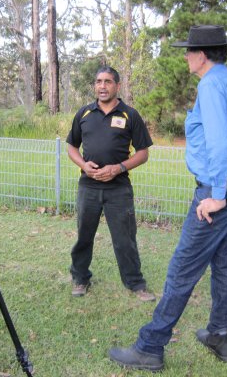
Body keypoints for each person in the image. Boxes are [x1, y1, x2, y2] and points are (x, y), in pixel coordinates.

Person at [109, 25, 227, 371]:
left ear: (202, 55)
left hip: (220, 194)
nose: (186, 56)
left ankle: (150, 347)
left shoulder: (212, 84)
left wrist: (217, 195)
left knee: (182, 269)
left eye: (188, 51)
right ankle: (219, 334)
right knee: (224, 263)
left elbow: (218, 142)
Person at [66, 66, 155, 302]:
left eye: (107, 82)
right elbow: (71, 147)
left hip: (119, 189)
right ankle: (80, 278)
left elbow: (143, 153)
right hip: (88, 186)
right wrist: (84, 165)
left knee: (125, 238)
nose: (102, 86)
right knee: (84, 235)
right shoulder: (84, 113)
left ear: (117, 85)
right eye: (98, 81)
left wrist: (118, 168)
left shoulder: (130, 115)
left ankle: (135, 283)